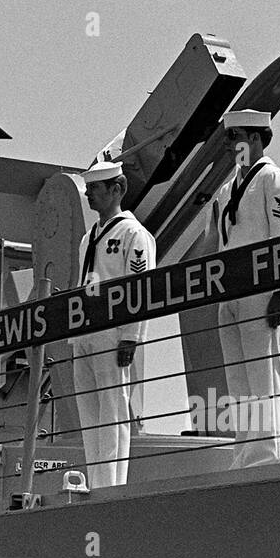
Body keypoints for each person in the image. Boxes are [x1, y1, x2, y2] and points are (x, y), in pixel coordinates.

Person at [205, 109, 280, 469]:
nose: (231, 146)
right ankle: (245, 452)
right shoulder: (228, 190)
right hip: (230, 288)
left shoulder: (273, 180)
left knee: (261, 372)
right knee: (237, 377)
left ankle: (265, 455)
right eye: (229, 139)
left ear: (257, 138)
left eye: (237, 137)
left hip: (261, 285)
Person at [68, 162, 156, 489]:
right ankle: (96, 480)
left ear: (116, 189)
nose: (89, 194)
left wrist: (131, 336)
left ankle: (112, 484)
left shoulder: (132, 234)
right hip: (85, 330)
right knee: (90, 414)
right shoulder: (88, 238)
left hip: (112, 331)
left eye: (95, 188)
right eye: (88, 188)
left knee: (112, 412)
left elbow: (139, 286)